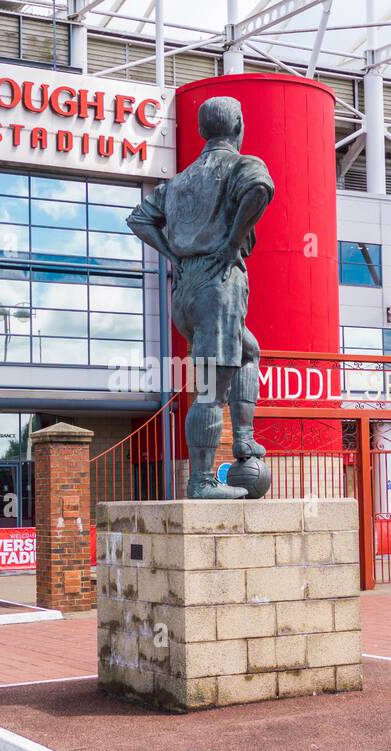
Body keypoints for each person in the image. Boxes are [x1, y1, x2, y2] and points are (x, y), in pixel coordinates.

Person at [126, 96, 275, 499]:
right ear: (239, 124)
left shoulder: (179, 181)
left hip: (186, 290)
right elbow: (261, 189)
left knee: (249, 351)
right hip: (217, 286)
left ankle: (243, 438)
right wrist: (233, 241)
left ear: (200, 131)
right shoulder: (241, 165)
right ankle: (201, 480)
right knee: (209, 387)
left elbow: (139, 219)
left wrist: (175, 253)